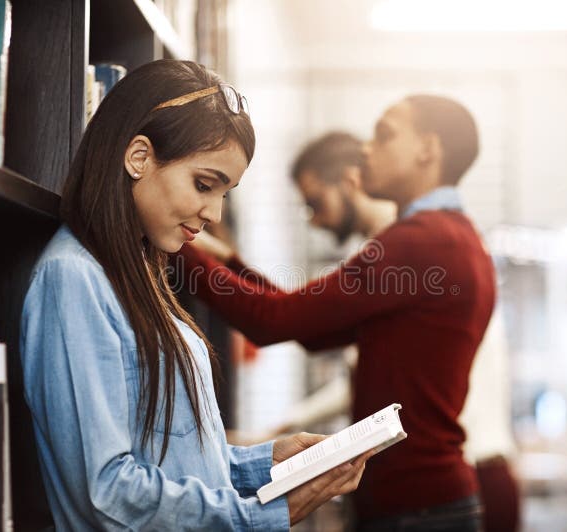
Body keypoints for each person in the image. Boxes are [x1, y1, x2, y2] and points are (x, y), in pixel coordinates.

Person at [19, 59, 372, 531]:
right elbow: (105, 493)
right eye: (204, 185)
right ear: (138, 157)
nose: (214, 213)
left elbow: (172, 461)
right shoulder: (72, 280)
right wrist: (261, 516)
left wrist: (265, 463)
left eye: (225, 192)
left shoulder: (138, 273)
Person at [176, 95, 496, 530]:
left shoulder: (421, 241)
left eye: (384, 135)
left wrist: (175, 238)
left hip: (416, 507)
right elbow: (311, 330)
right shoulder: (452, 236)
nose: (366, 149)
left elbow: (273, 320)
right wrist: (226, 259)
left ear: (428, 149)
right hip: (423, 501)